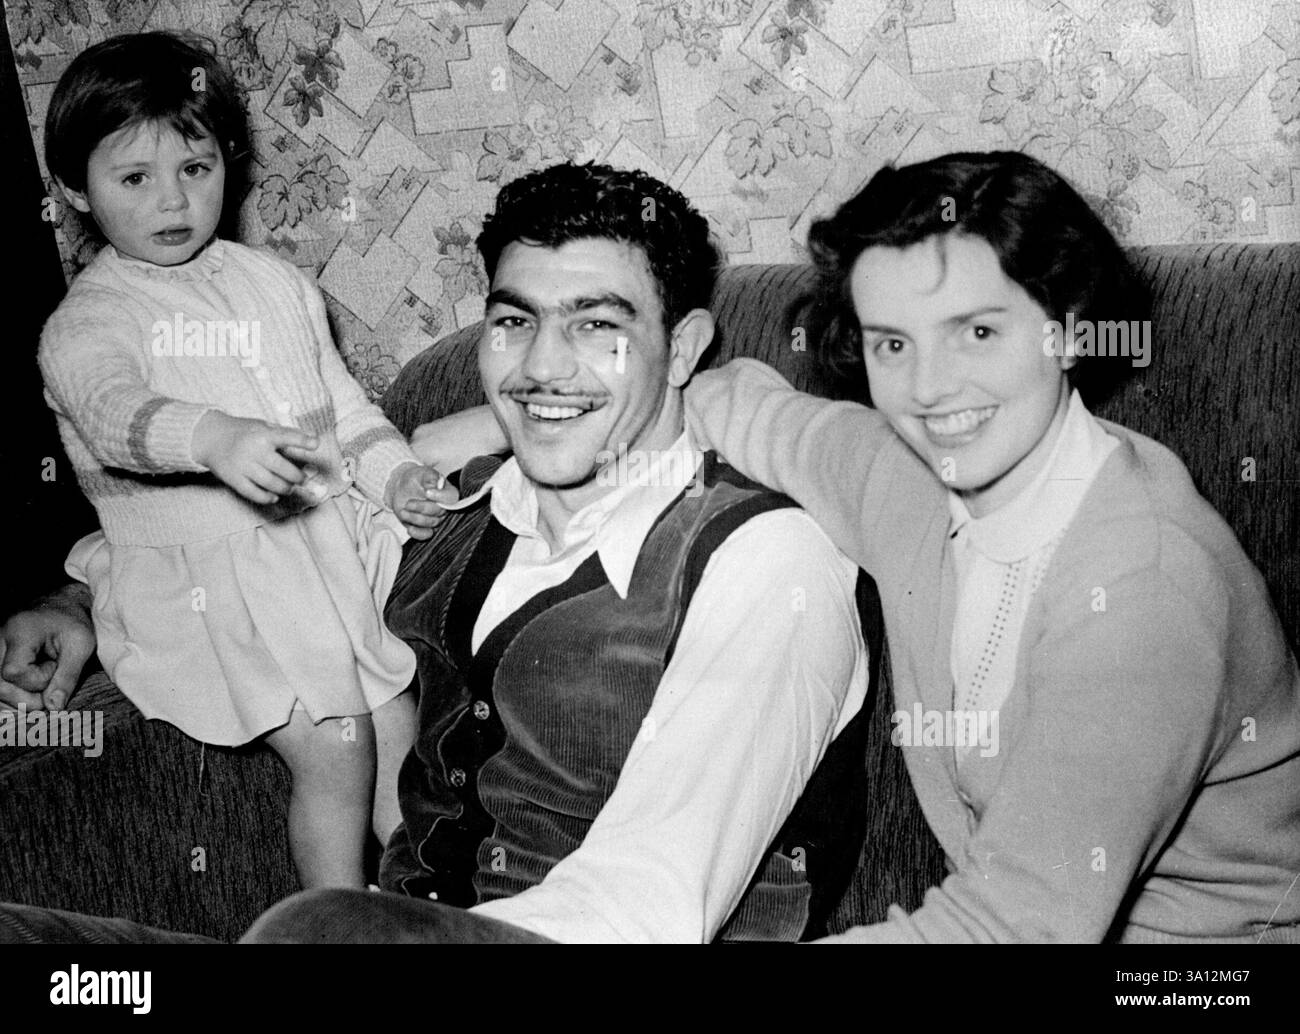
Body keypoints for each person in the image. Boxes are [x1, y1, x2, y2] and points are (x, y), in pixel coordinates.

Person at [0, 162, 877, 944]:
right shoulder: (463, 499)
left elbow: (650, 904)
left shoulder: (767, 565)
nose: (543, 367)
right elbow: (264, 530)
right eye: (514, 320)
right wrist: (80, 604)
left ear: (683, 348)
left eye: (597, 325)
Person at [677, 151, 1300, 942]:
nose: (930, 388)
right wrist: (492, 424)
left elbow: (1013, 931)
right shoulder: (908, 479)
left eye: (976, 331)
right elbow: (731, 405)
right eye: (892, 345)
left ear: (1070, 329)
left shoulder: (1145, 587)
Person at [35, 31, 455, 890]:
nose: (174, 200)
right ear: (77, 190)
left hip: (314, 564)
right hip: (206, 587)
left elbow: (341, 408)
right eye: (134, 179)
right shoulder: (88, 320)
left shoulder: (275, 283)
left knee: (401, 739)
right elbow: (115, 414)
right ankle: (329, 921)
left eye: (195, 168)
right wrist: (215, 438)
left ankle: (421, 909)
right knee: (337, 752)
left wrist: (396, 473)